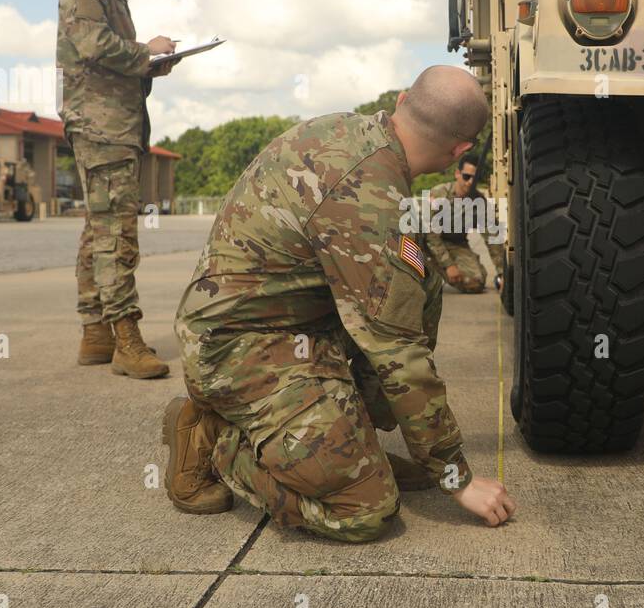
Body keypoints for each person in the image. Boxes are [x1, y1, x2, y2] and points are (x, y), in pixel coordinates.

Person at [165, 65, 518, 542]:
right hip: (236, 347)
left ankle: (351, 445)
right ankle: (216, 441)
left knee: (421, 285)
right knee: (366, 510)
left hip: (287, 324)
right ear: (460, 151)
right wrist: (456, 477)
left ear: (398, 101)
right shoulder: (370, 195)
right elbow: (399, 354)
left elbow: (402, 297)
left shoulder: (353, 135)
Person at [58, 0, 176, 379]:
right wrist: (147, 52)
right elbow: (93, 44)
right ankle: (127, 339)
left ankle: (96, 334)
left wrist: (152, 65)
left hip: (114, 125)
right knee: (116, 234)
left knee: (98, 230)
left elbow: (110, 56)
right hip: (102, 127)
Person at [423, 153, 507, 294]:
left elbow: (492, 238)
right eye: (467, 177)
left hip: (455, 244)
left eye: (475, 179)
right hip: (427, 245)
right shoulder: (439, 194)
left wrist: (502, 273)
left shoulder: (479, 202)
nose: (470, 182)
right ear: (457, 173)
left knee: (476, 282)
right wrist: (448, 265)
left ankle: (435, 269)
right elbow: (429, 234)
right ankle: (427, 268)